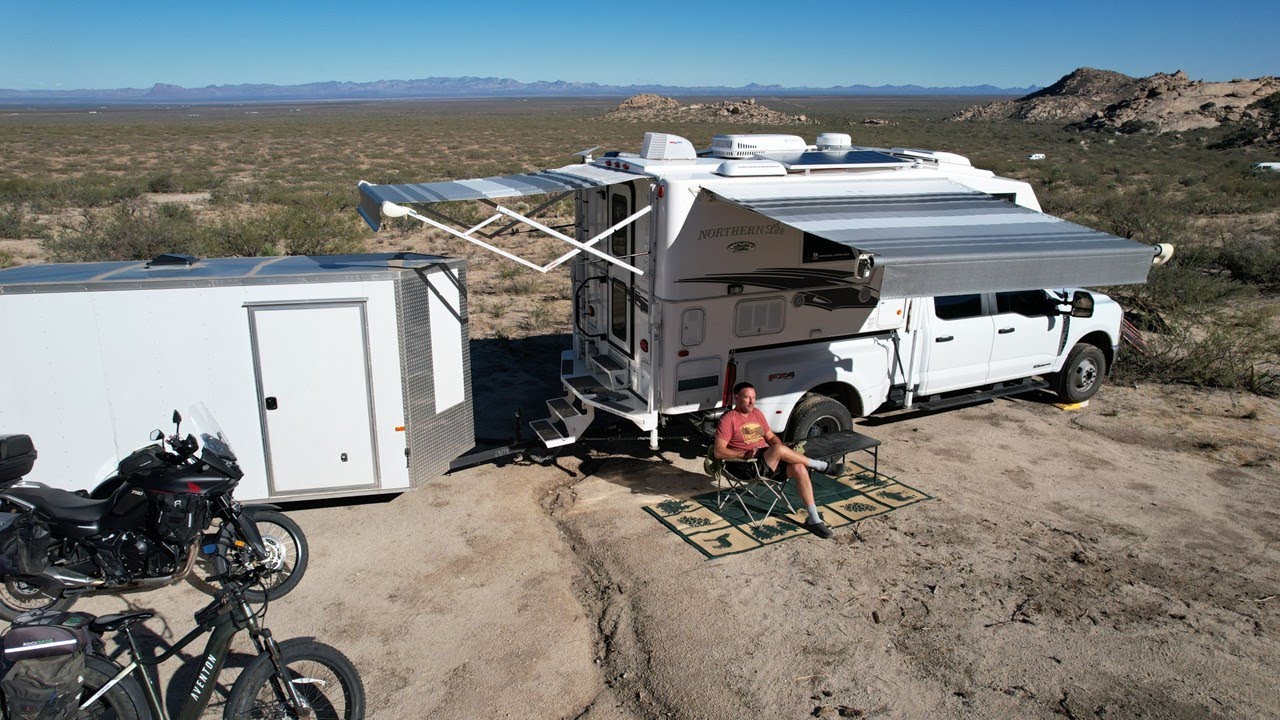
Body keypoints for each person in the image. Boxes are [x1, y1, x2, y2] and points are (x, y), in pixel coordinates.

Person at [714, 382, 837, 539]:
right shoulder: (728, 420)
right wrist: (742, 455)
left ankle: (813, 519)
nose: (751, 402)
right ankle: (820, 465)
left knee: (799, 467)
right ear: (736, 398)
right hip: (745, 466)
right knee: (778, 450)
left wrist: (785, 453)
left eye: (754, 397)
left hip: (766, 461)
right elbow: (718, 452)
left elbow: (771, 437)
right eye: (747, 398)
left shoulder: (757, 413)